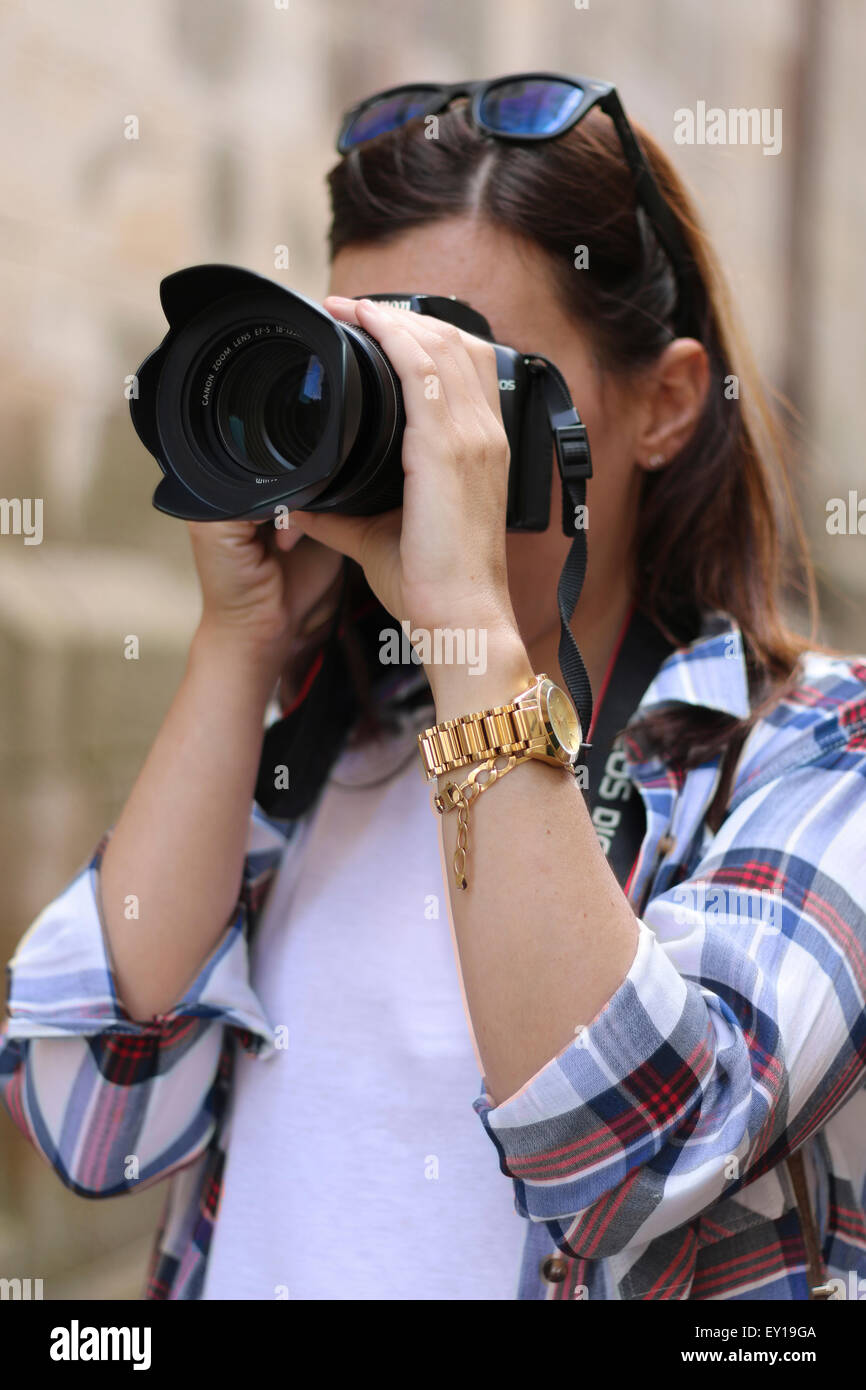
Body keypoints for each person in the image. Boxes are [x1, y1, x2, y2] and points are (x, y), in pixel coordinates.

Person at [3, 75, 865, 1302]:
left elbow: (627, 1156)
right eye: (378, 365)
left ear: (665, 404)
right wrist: (237, 640)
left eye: (463, 381)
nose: (425, 440)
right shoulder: (323, 743)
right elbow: (88, 1117)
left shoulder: (809, 750)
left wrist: (465, 622)